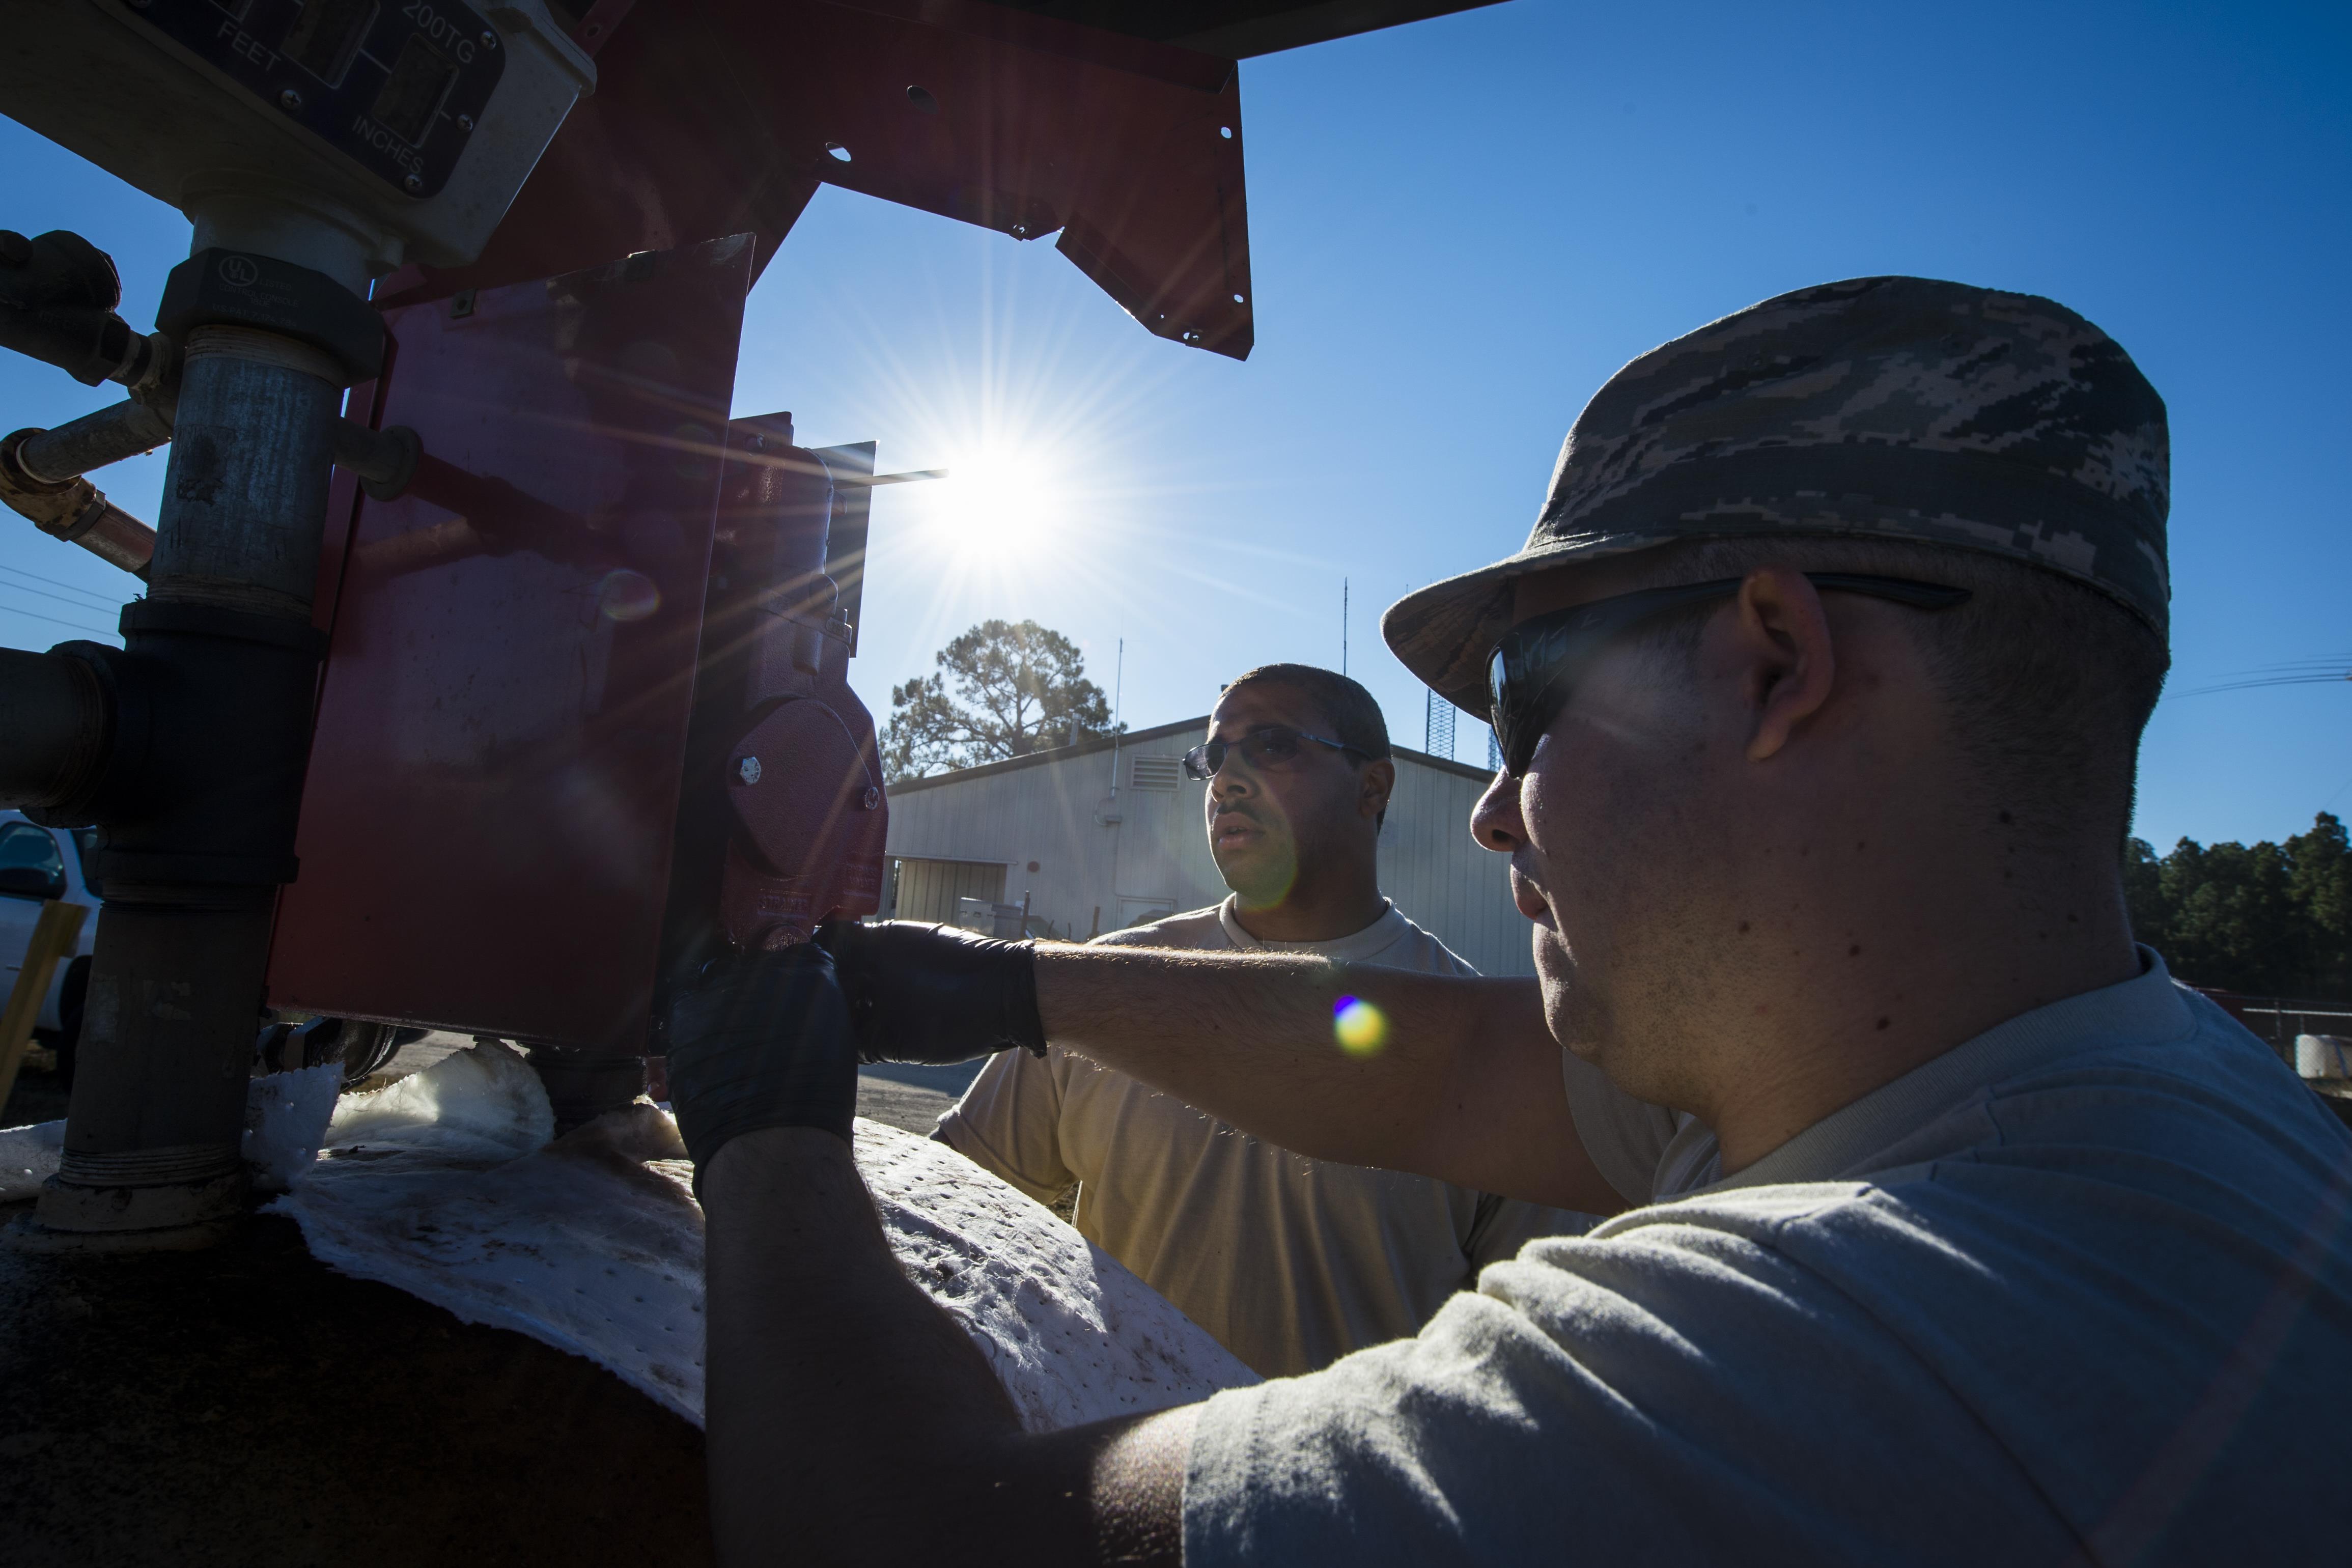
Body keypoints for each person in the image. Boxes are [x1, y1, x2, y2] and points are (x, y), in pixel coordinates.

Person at [670, 276, 2352, 1565]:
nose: (1494, 803)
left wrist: (765, 1137)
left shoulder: (1831, 1356)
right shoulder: (2136, 1104)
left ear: (1778, 660)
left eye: (1527, 714)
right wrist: (1015, 990)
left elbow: (899, 1530)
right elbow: (1449, 1073)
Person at [936, 663, 1581, 1377]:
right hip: (1106, 1471)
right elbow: (951, 1212)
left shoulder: (1472, 1036)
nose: (1226, 780)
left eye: (1273, 747)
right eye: (1215, 757)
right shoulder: (1097, 989)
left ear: (1374, 787)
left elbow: (1528, 1352)